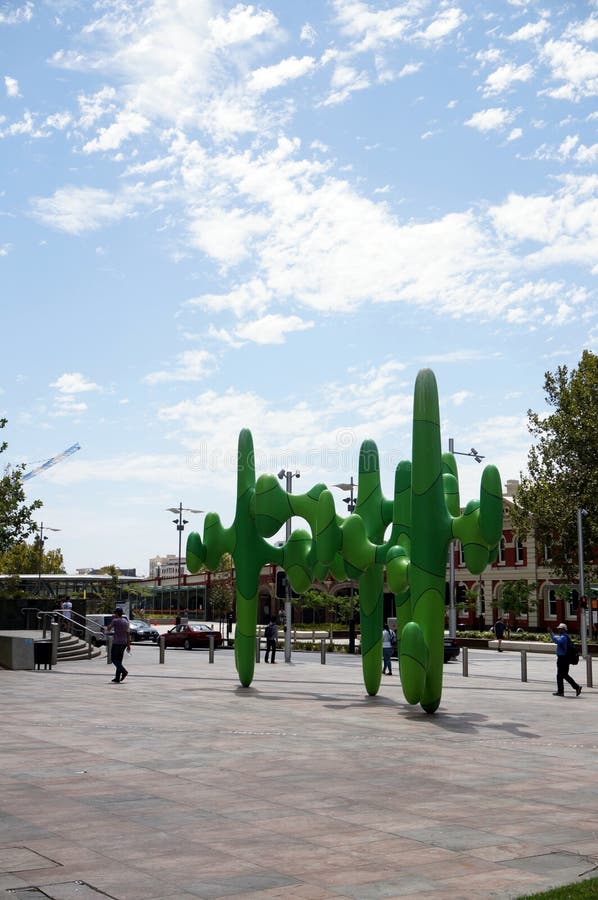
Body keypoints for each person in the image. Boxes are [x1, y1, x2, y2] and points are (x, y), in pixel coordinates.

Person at [549, 623, 581, 697]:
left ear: (563, 630)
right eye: (558, 629)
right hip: (564, 658)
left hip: (563, 659)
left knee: (561, 675)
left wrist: (551, 633)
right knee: (563, 675)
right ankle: (574, 688)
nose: (558, 630)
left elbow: (556, 641)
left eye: (560, 629)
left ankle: (566, 690)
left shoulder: (563, 637)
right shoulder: (564, 637)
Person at [105, 608, 131, 683]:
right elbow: (128, 633)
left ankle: (124, 671)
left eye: (115, 613)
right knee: (119, 660)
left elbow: (108, 628)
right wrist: (128, 645)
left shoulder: (115, 620)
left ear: (116, 614)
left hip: (117, 643)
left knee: (113, 659)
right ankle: (117, 677)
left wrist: (112, 619)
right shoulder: (126, 621)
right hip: (124, 643)